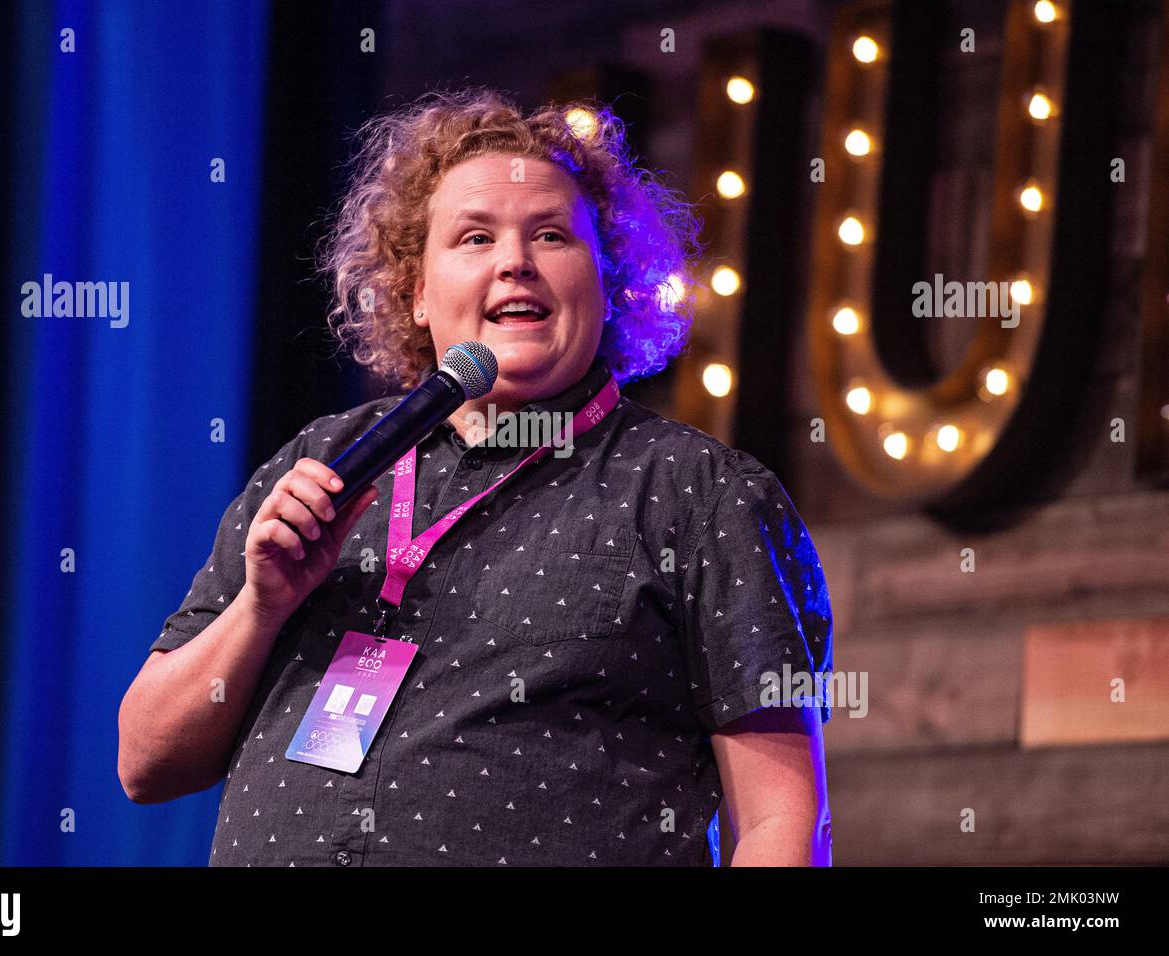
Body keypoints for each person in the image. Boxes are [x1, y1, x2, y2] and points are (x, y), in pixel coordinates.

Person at [118, 87, 834, 866]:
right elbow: (145, 763)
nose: (515, 262)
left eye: (552, 235)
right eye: (474, 238)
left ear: (609, 279)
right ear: (417, 293)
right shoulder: (318, 463)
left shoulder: (697, 491)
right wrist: (261, 606)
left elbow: (780, 822)